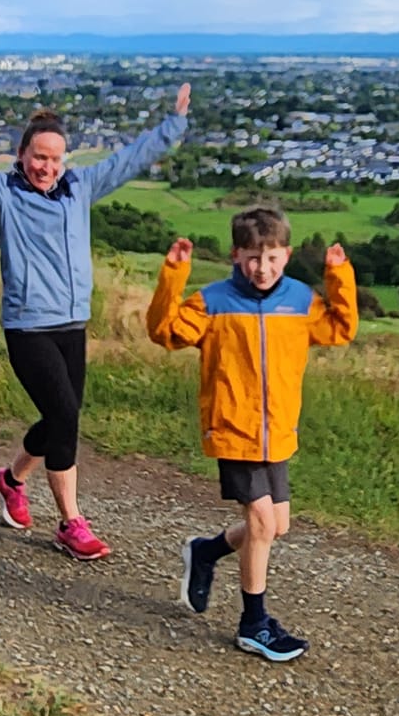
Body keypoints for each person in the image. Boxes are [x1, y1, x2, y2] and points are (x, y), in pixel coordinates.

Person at [0, 67, 189, 561]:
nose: (46, 167)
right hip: (28, 327)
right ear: (22, 155)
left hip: (72, 324)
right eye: (38, 157)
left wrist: (173, 125)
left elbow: (129, 160)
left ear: (64, 160)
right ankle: (71, 523)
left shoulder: (80, 188)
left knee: (59, 417)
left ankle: (11, 480)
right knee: (65, 417)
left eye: (55, 159)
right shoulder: (4, 196)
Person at [147, 208, 358, 662]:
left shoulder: (300, 300)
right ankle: (253, 624)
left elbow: (341, 329)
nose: (263, 269)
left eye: (272, 258)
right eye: (253, 259)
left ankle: (206, 552)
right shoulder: (213, 302)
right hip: (233, 429)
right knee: (261, 523)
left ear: (287, 255)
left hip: (278, 432)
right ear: (235, 255)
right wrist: (173, 275)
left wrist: (338, 277)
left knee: (277, 526)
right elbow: (164, 332)